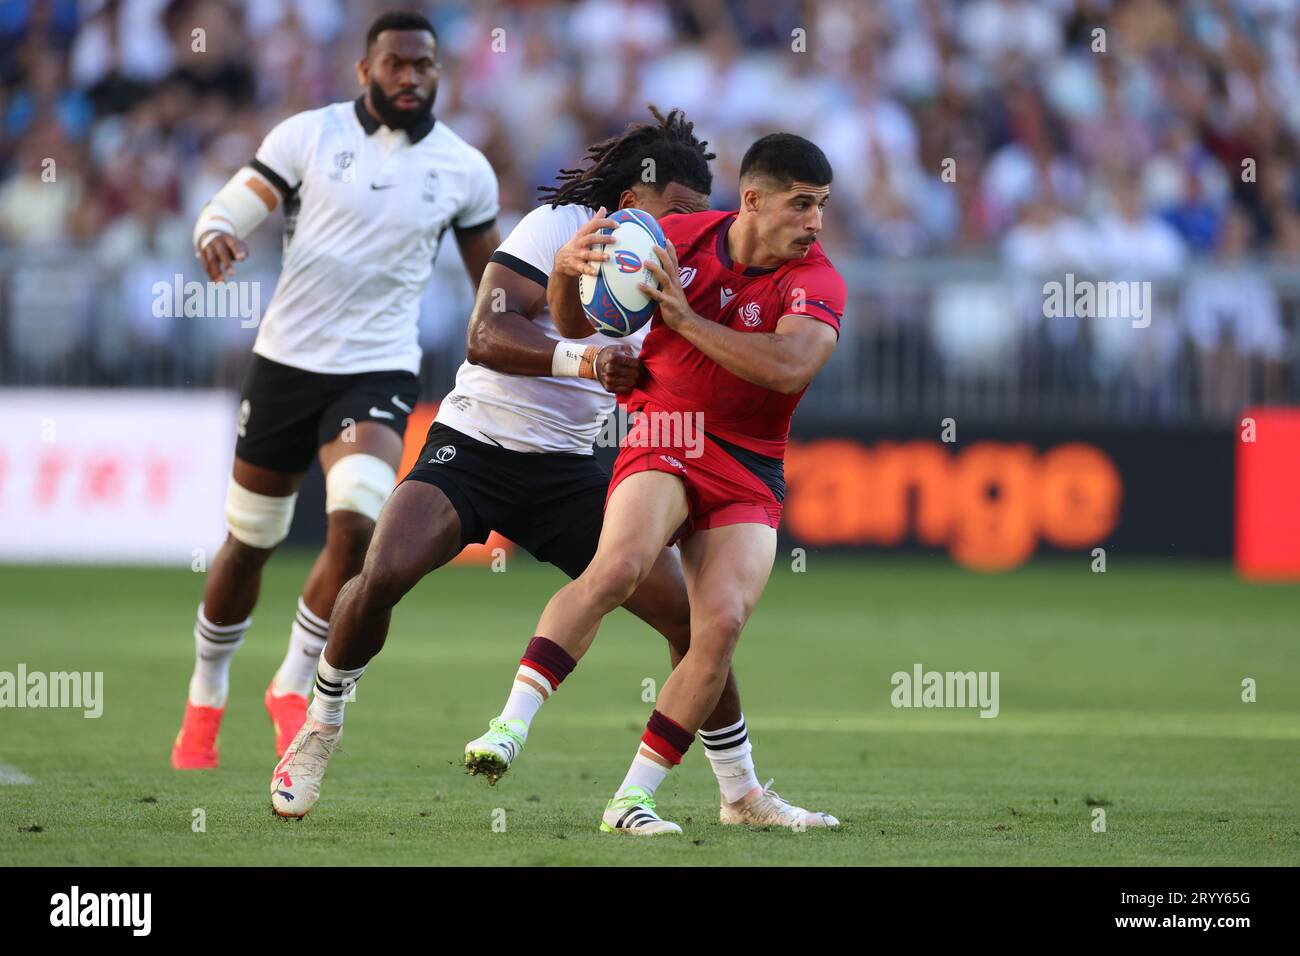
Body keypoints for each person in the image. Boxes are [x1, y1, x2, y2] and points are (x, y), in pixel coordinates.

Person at [268, 110, 836, 832]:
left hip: (570, 463)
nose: (686, 233)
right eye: (676, 215)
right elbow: (485, 334)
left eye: (699, 217)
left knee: (696, 626)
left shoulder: (687, 253)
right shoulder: (554, 228)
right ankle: (320, 726)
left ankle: (741, 791)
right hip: (475, 442)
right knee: (383, 572)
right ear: (633, 205)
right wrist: (585, 356)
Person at [465, 133, 846, 834]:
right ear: (753, 200)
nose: (815, 223)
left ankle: (632, 801)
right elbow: (585, 323)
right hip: (667, 432)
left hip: (750, 462)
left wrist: (685, 319)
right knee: (617, 568)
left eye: (820, 206)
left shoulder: (819, 281)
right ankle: (507, 728)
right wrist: (563, 274)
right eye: (801, 205)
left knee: (720, 626)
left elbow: (788, 369)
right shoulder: (672, 239)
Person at [171, 10, 501, 769]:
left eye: (423, 66)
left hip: (378, 369)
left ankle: (291, 683)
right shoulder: (307, 135)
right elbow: (235, 203)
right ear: (365, 70)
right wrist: (216, 232)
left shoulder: (463, 168)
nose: (410, 78)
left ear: (438, 72)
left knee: (355, 526)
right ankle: (206, 692)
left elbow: (493, 284)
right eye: (395, 65)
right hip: (286, 365)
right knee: (250, 544)